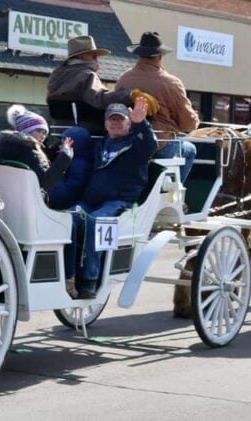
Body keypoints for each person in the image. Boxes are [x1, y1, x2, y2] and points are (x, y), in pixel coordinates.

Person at [69, 97, 157, 299]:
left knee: (96, 221)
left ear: (128, 123)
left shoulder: (136, 146)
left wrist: (140, 122)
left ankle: (90, 280)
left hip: (119, 201)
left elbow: (150, 145)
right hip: (91, 200)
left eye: (120, 119)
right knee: (67, 218)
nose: (115, 123)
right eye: (112, 119)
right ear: (106, 124)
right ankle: (70, 275)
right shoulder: (100, 144)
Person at [115, 31, 198, 182]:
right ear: (160, 57)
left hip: (127, 143)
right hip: (158, 145)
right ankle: (176, 195)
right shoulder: (171, 83)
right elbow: (189, 124)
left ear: (139, 55)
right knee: (190, 149)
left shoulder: (123, 79)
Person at [46, 35, 134, 134]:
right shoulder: (86, 75)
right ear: (80, 56)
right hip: (86, 131)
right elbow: (99, 99)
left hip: (60, 129)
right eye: (93, 55)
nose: (97, 59)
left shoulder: (56, 74)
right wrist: (129, 95)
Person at [0, 105, 73, 190]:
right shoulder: (29, 152)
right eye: (39, 131)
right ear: (26, 131)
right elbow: (45, 182)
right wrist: (65, 156)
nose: (42, 136)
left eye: (44, 133)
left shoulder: (11, 148)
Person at [46, 126, 94, 210]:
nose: (60, 145)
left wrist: (51, 192)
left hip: (64, 201)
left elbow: (74, 187)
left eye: (63, 142)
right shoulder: (73, 160)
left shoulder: (79, 164)